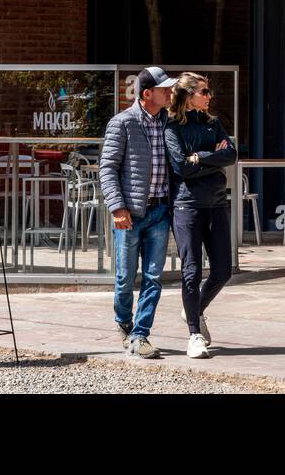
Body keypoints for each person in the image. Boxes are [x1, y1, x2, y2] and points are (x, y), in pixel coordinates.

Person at [99, 66, 177, 359]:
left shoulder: (170, 122)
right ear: (148, 93)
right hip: (129, 215)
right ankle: (124, 322)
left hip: (160, 212)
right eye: (164, 89)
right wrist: (118, 208)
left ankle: (140, 334)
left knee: (154, 277)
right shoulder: (123, 123)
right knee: (125, 278)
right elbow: (107, 169)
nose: (169, 93)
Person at [164, 72, 237, 359]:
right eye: (204, 92)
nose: (209, 97)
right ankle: (194, 334)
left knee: (223, 270)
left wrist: (199, 157)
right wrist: (208, 157)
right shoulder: (172, 128)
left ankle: (193, 309)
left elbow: (230, 155)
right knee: (191, 270)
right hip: (187, 205)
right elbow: (181, 168)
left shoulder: (212, 123)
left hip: (217, 203)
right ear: (188, 96)